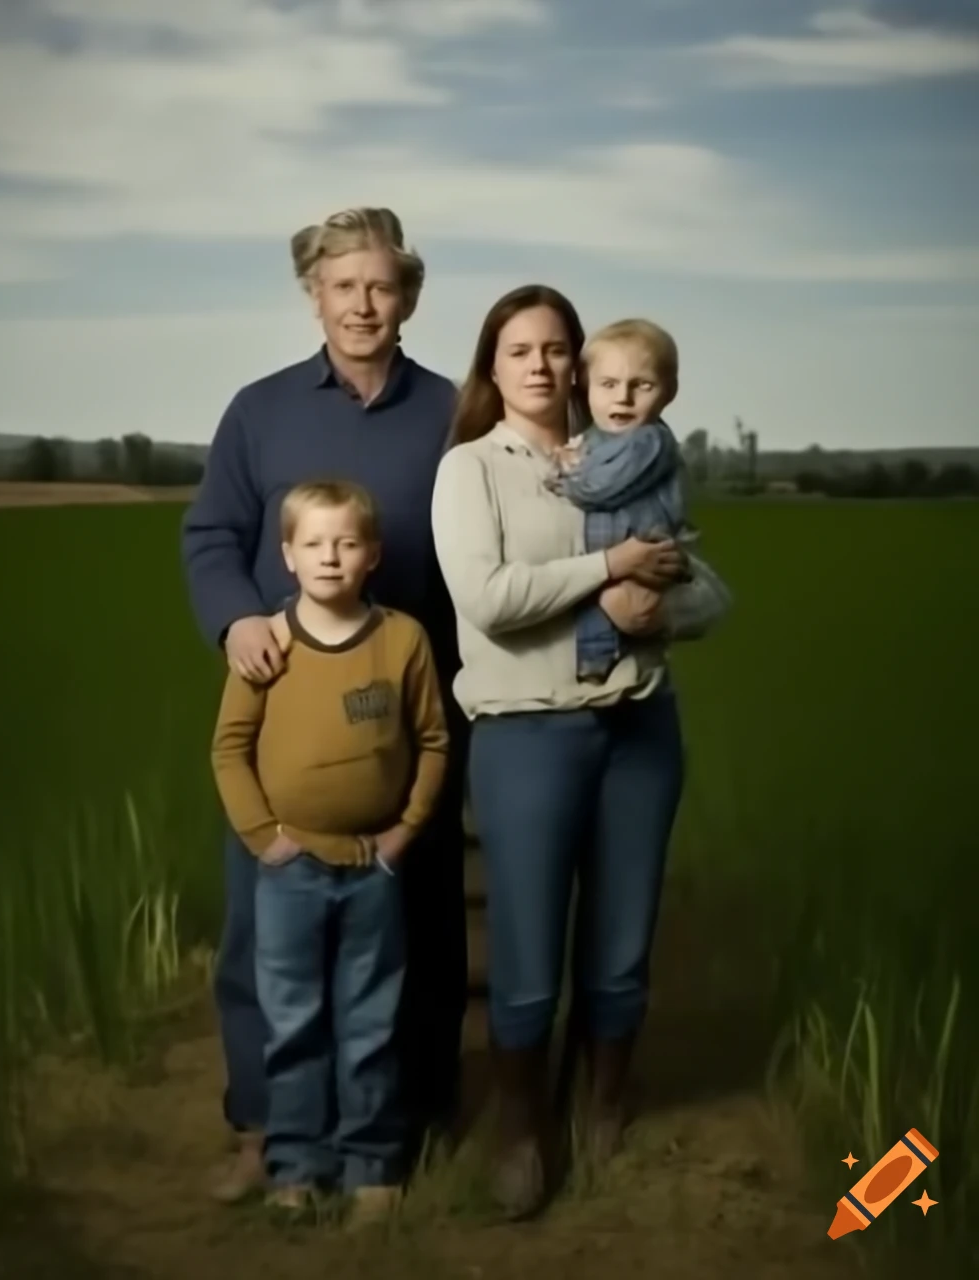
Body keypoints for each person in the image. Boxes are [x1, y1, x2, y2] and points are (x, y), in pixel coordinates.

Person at [181, 207, 467, 1203]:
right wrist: (234, 621)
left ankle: (408, 1119)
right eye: (343, 286)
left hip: (411, 707)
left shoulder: (453, 410)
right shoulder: (259, 411)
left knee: (420, 919)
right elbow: (210, 536)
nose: (362, 304)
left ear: (409, 297)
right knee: (265, 933)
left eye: (381, 285)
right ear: (314, 295)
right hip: (285, 720)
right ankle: (266, 1126)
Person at [430, 285, 729, 1221]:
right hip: (528, 734)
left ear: (579, 365)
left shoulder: (625, 454)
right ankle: (523, 1128)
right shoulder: (471, 469)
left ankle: (603, 1103)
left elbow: (708, 589)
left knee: (622, 933)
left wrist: (659, 610)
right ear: (492, 365)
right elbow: (490, 599)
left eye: (556, 348)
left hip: (641, 729)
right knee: (526, 942)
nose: (540, 365)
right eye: (519, 349)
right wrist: (611, 569)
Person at [210, 480, 448, 1224]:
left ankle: (371, 1161)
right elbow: (228, 749)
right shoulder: (269, 643)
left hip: (373, 868)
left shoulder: (402, 640)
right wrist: (265, 840)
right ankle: (297, 1165)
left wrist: (404, 832)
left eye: (346, 543)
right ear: (287, 555)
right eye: (313, 543)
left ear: (372, 554)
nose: (330, 557)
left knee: (370, 1019)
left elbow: (434, 742)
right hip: (290, 874)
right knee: (293, 1022)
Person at [546, 317, 729, 682]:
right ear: (585, 385)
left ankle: (598, 663)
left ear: (668, 392)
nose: (623, 397)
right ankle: (596, 664)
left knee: (620, 613)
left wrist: (565, 475)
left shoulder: (650, 440)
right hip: (614, 558)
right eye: (608, 384)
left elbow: (601, 488)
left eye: (642, 385)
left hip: (643, 551)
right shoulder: (596, 438)